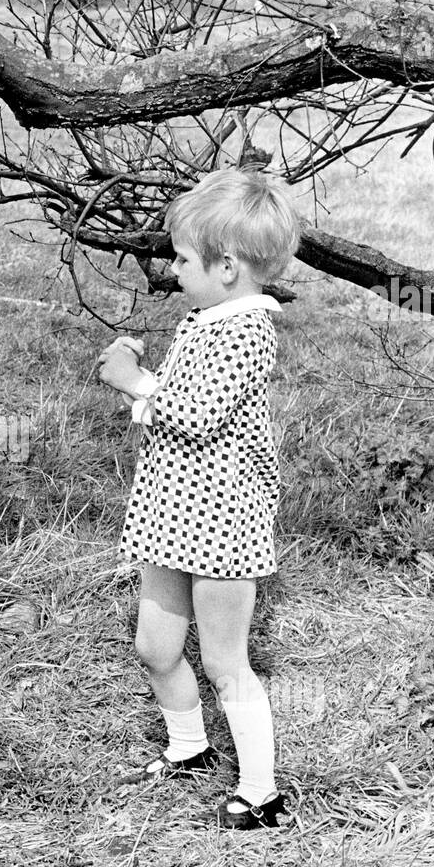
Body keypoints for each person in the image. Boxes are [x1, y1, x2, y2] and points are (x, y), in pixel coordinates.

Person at [97, 168, 300, 829]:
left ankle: (262, 793)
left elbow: (195, 413)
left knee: (222, 659)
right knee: (156, 648)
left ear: (228, 267)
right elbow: (183, 400)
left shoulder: (248, 332)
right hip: (168, 514)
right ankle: (187, 746)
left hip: (221, 524)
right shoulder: (208, 317)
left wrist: (133, 382)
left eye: (183, 259)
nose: (173, 269)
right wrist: (145, 376)